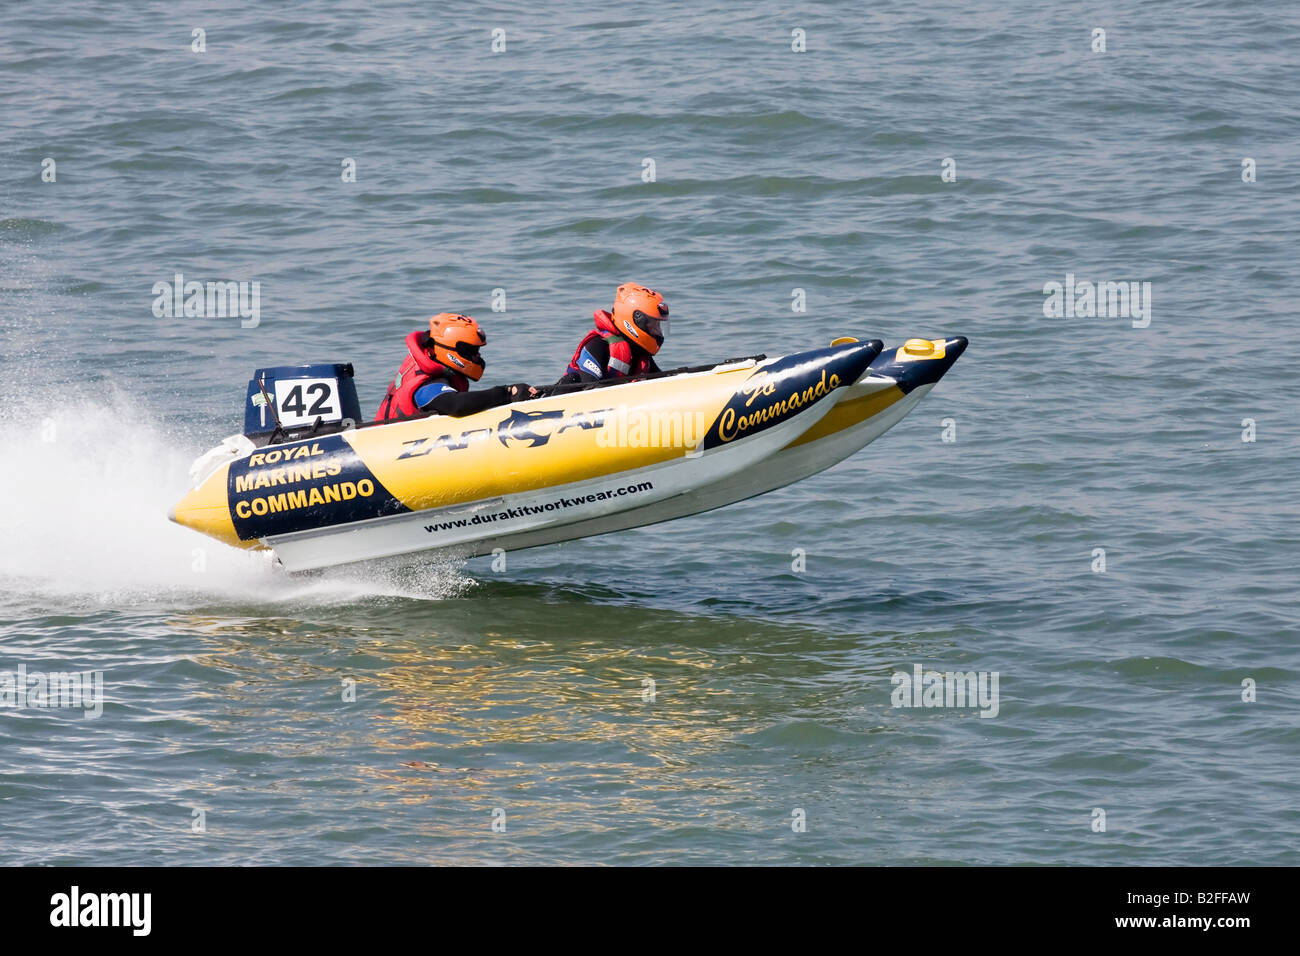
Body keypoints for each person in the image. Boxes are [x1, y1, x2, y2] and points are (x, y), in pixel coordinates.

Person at [374, 313, 537, 421]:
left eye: (477, 351)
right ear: (447, 348)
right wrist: (506, 393)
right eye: (471, 351)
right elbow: (455, 405)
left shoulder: (429, 360)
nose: (477, 357)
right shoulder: (426, 383)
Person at [557, 283, 670, 385]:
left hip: (621, 402)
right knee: (572, 379)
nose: (657, 331)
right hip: (569, 401)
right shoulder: (597, 345)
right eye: (653, 325)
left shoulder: (640, 354)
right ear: (636, 320)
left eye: (658, 326)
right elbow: (590, 390)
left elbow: (662, 382)